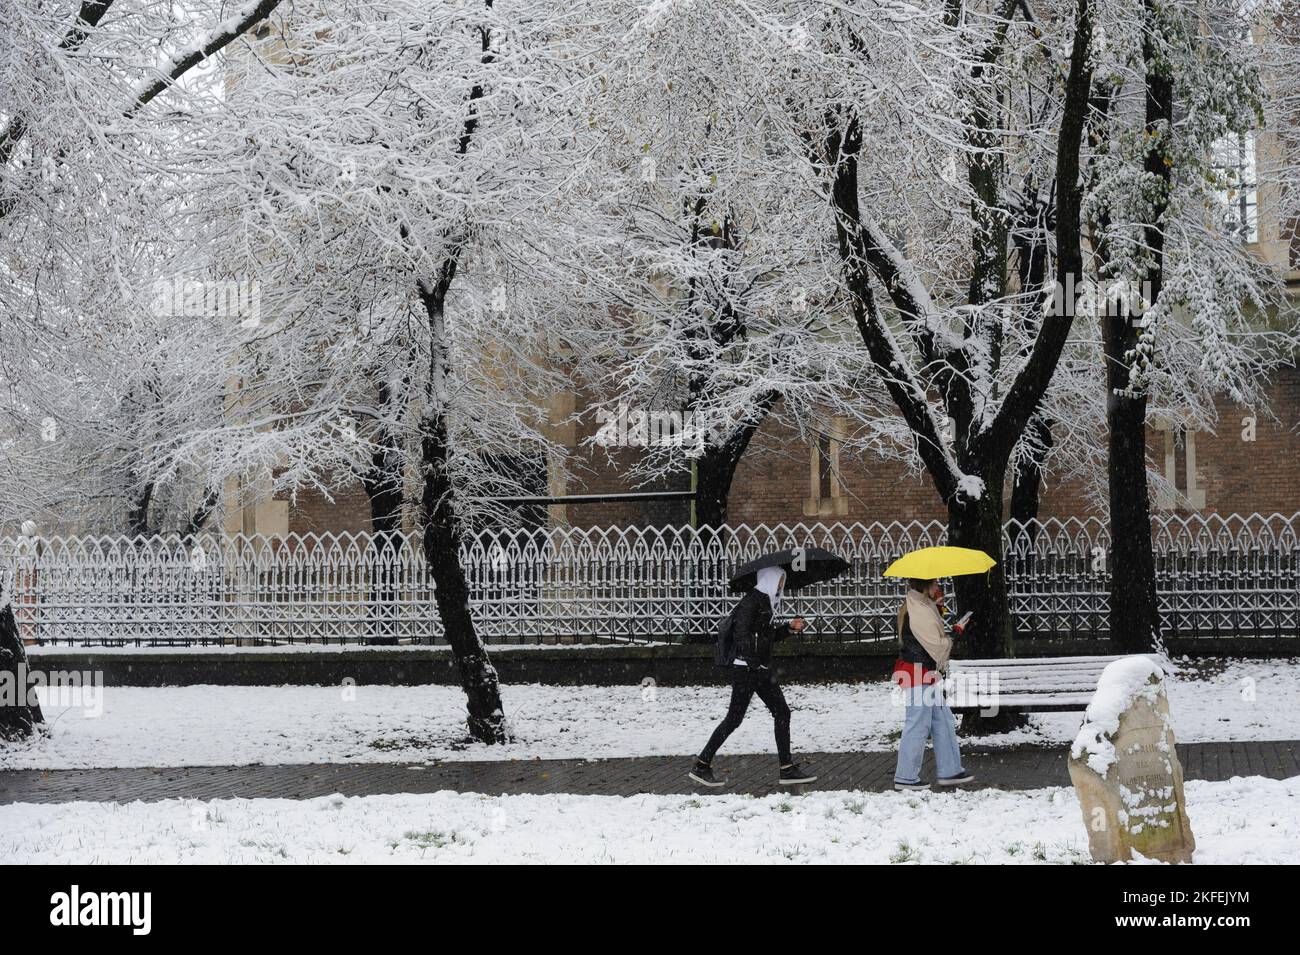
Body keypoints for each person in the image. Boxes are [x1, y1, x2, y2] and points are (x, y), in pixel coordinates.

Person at [690, 566, 818, 787]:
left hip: (755, 669)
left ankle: (785, 768)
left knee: (776, 713)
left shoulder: (766, 604)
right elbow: (741, 634)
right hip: (747, 670)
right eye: (779, 581)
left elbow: (765, 637)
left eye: (783, 581)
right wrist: (753, 662)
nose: (781, 586)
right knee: (741, 718)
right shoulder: (751, 602)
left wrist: (788, 628)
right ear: (769, 580)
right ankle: (702, 765)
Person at [892, 577, 975, 791]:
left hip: (921, 672)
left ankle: (950, 771)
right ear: (926, 586)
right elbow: (935, 645)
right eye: (935, 585)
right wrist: (955, 633)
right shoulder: (919, 610)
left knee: (943, 721)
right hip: (916, 673)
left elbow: (931, 639)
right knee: (918, 725)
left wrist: (938, 608)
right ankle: (905, 777)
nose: (939, 588)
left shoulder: (920, 605)